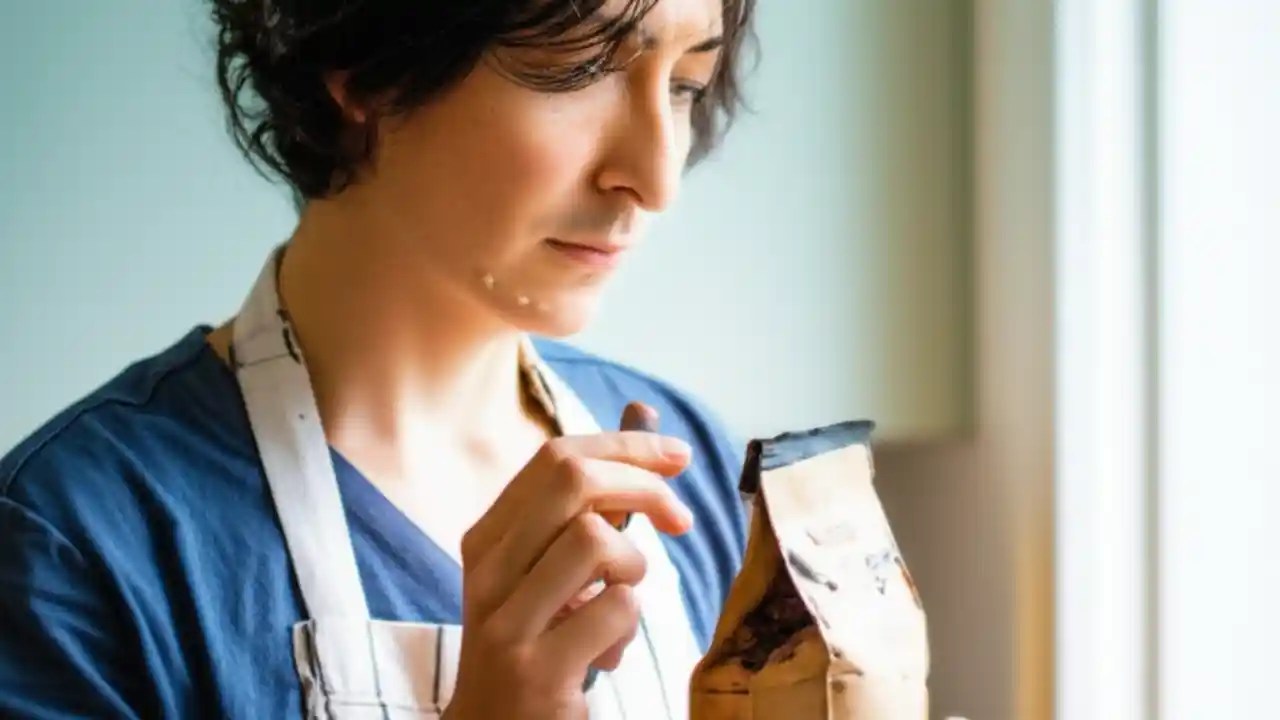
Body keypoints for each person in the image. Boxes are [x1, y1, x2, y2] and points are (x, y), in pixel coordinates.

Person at [0, 0, 758, 717]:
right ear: (365, 65)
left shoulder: (697, 473)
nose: (656, 180)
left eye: (687, 85)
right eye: (582, 68)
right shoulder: (73, 541)